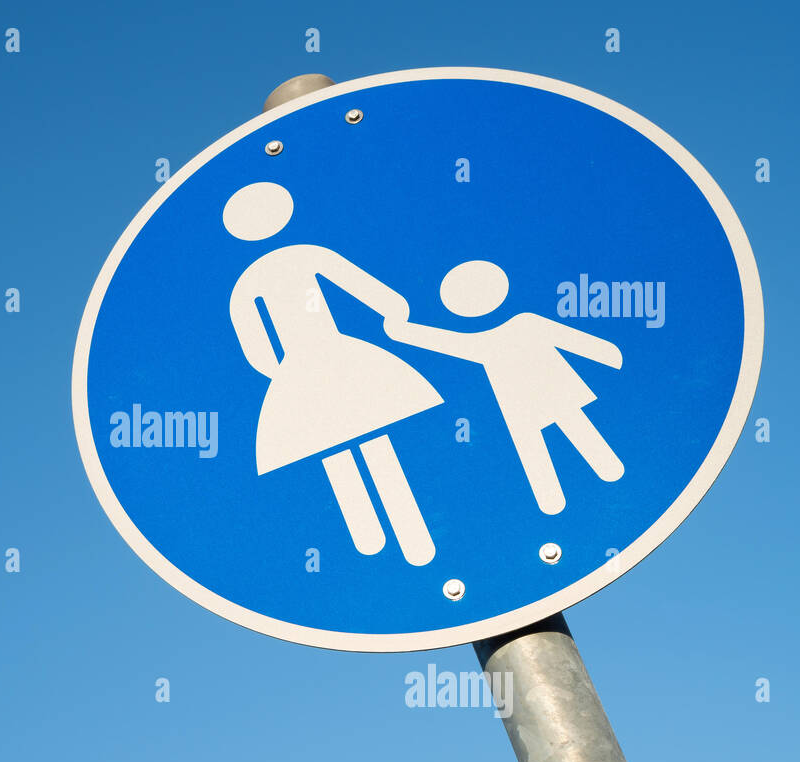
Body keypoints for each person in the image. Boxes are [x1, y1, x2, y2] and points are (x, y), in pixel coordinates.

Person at [224, 181, 441, 565]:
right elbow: (364, 288)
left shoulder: (250, 280)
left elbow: (256, 347)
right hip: (327, 356)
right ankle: (396, 541)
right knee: (367, 438)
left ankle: (382, 539)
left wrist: (283, 373)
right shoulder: (300, 258)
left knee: (334, 444)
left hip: (304, 366)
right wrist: (394, 310)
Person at [383, 260, 624, 515]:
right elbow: (445, 342)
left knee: (555, 435)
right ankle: (554, 499)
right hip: (529, 398)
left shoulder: (506, 332)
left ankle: (585, 483)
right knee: (541, 441)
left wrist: (403, 332)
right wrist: (403, 332)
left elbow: (569, 338)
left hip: (545, 393)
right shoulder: (514, 328)